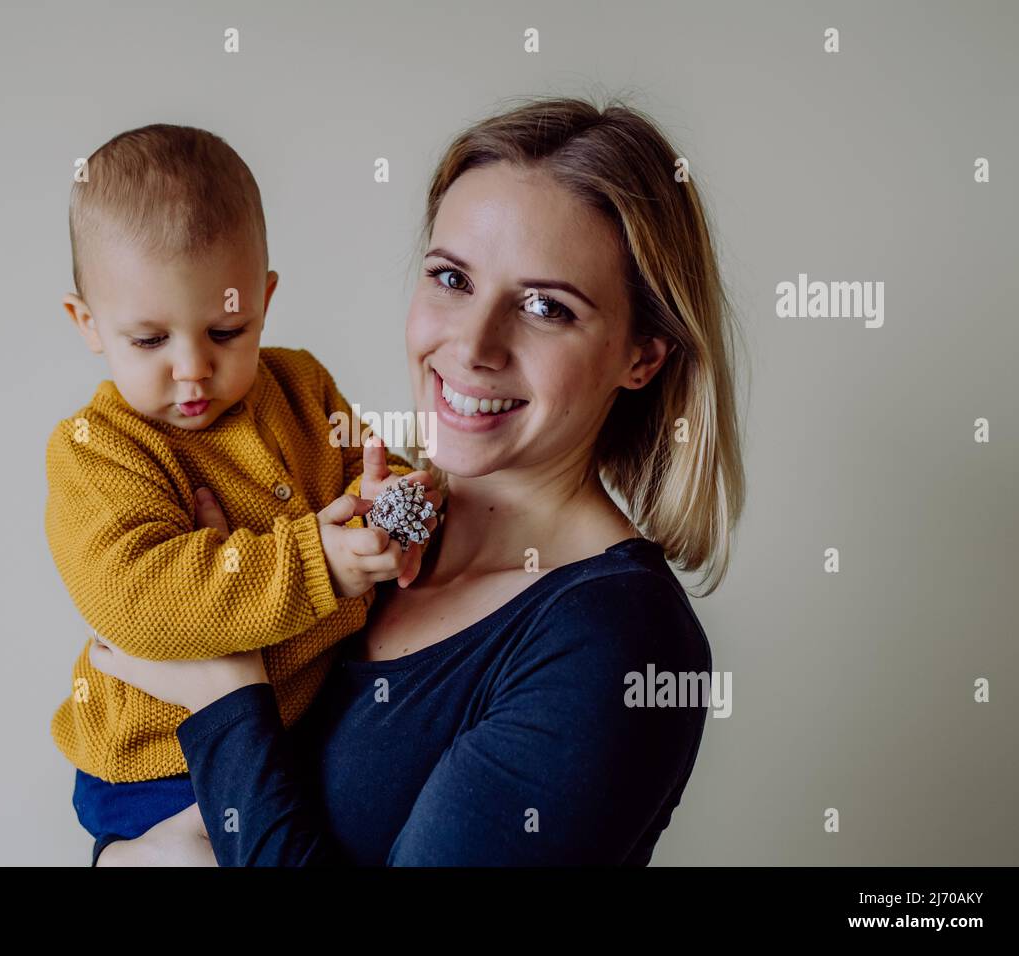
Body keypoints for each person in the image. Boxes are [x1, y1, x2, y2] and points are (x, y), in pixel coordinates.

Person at [89, 95, 747, 865]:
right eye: (452, 279)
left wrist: (226, 698)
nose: (472, 346)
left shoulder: (626, 644)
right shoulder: (343, 522)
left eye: (545, 307)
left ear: (643, 355)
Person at [45, 123, 442, 866]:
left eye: (226, 331)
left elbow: (368, 470)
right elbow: (139, 599)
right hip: (158, 767)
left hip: (287, 740)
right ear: (88, 324)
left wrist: (395, 508)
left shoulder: (302, 385)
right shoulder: (98, 450)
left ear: (263, 298)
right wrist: (319, 561)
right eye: (150, 341)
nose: (192, 369)